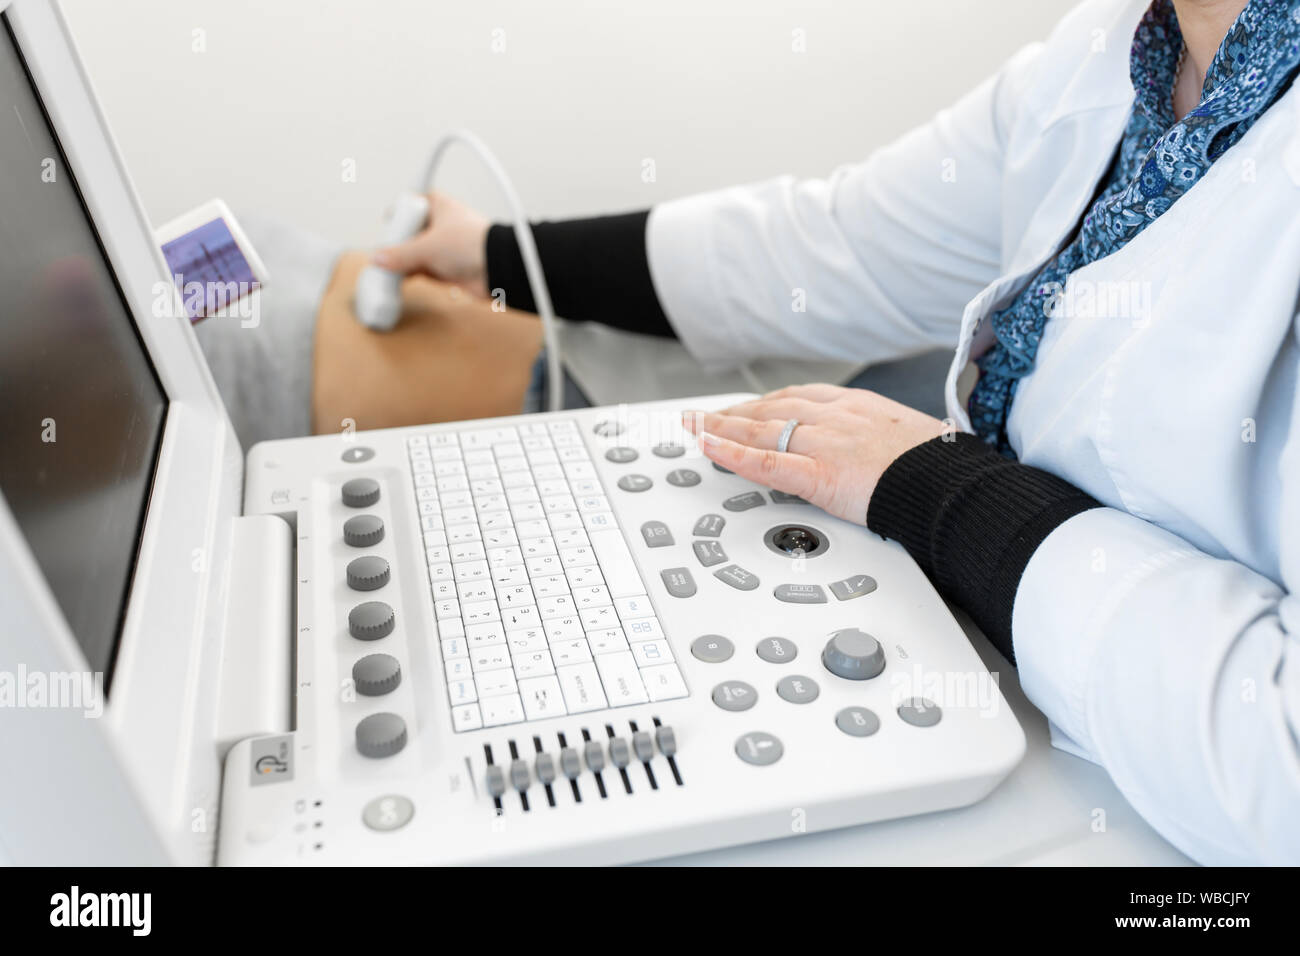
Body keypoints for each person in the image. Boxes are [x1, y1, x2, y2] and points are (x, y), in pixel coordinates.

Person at [369, 0, 1300, 865]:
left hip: (1171, 821)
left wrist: (938, 488)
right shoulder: (1119, 47)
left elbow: (1278, 765)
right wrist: (496, 254)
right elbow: (837, 247)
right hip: (1004, 669)